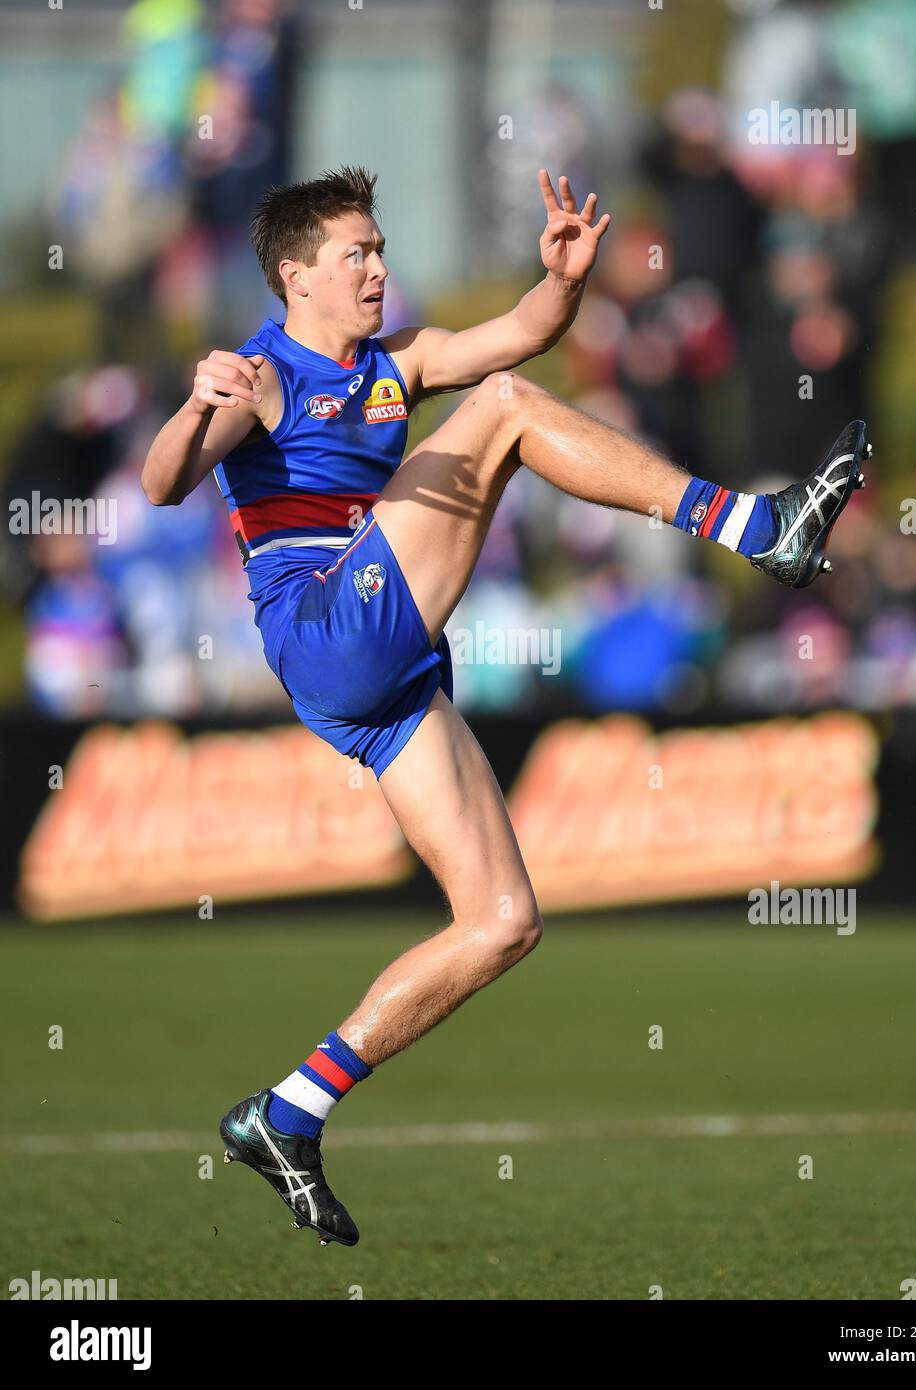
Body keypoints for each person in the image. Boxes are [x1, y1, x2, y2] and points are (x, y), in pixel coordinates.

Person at [142, 166, 870, 1246]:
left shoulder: (398, 365)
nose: (380, 266)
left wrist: (563, 280)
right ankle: (756, 530)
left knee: (500, 923)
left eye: (381, 246)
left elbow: (524, 331)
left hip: (385, 671)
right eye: (357, 253)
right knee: (504, 415)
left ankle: (288, 1112)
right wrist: (197, 401)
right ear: (295, 277)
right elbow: (161, 483)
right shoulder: (259, 372)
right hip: (328, 632)